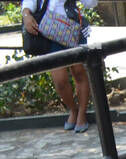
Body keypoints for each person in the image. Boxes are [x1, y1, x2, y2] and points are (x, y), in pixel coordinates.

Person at [21, 0, 97, 132]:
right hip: (49, 30)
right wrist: (26, 15)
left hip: (73, 28)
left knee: (79, 72)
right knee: (60, 80)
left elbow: (91, 3)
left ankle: (81, 114)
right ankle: (73, 109)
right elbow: (29, 3)